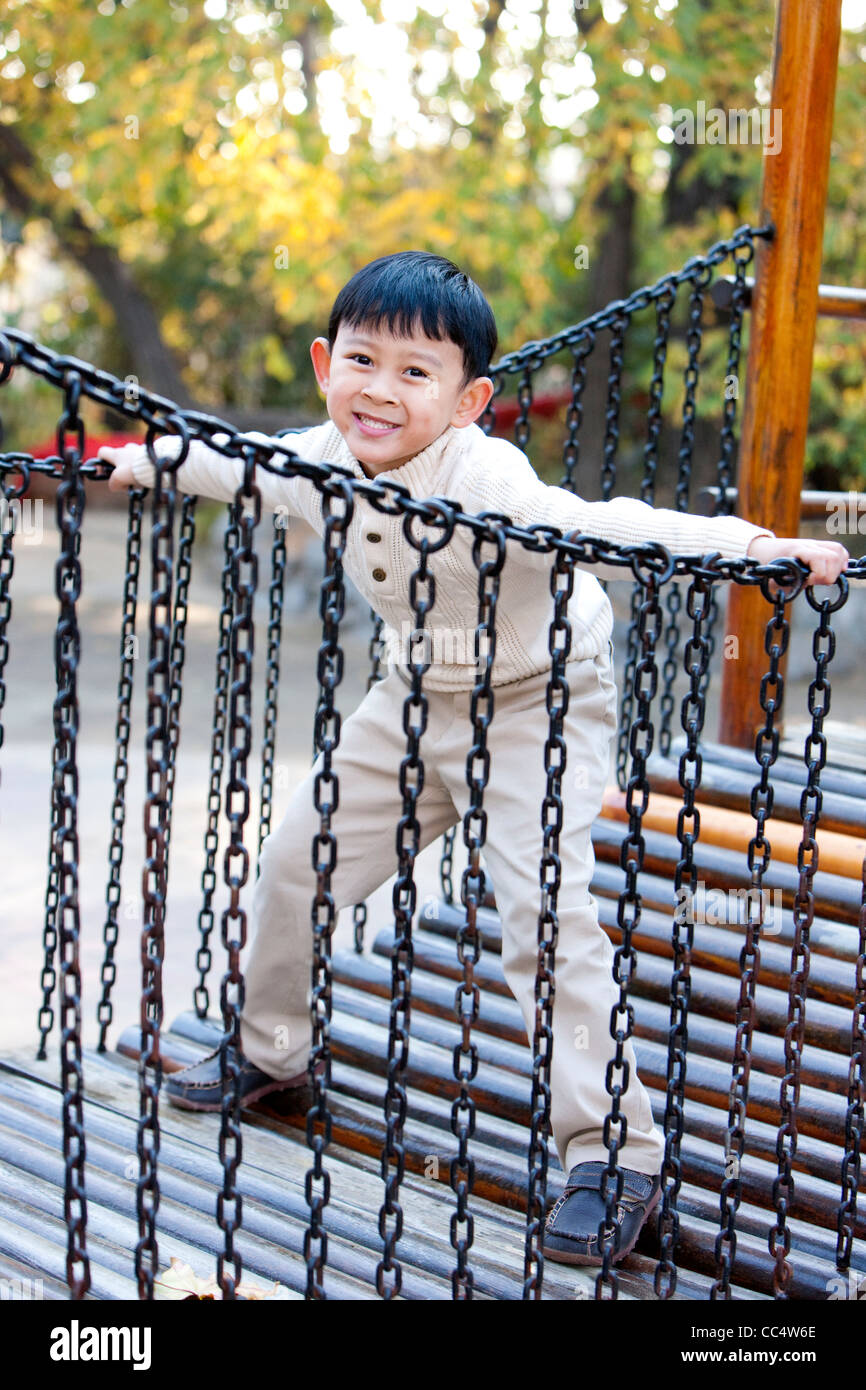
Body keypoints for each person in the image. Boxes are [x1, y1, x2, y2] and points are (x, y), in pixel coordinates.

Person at [99, 250, 849, 1268]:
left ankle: (612, 1152)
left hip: (537, 705)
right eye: (362, 359)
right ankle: (274, 1051)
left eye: (418, 373)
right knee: (296, 863)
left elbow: (606, 525)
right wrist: (131, 461)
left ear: (468, 401)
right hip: (411, 700)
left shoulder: (489, 477)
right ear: (325, 363)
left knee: (542, 915)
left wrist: (752, 548)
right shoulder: (320, 454)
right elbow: (228, 459)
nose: (380, 388)